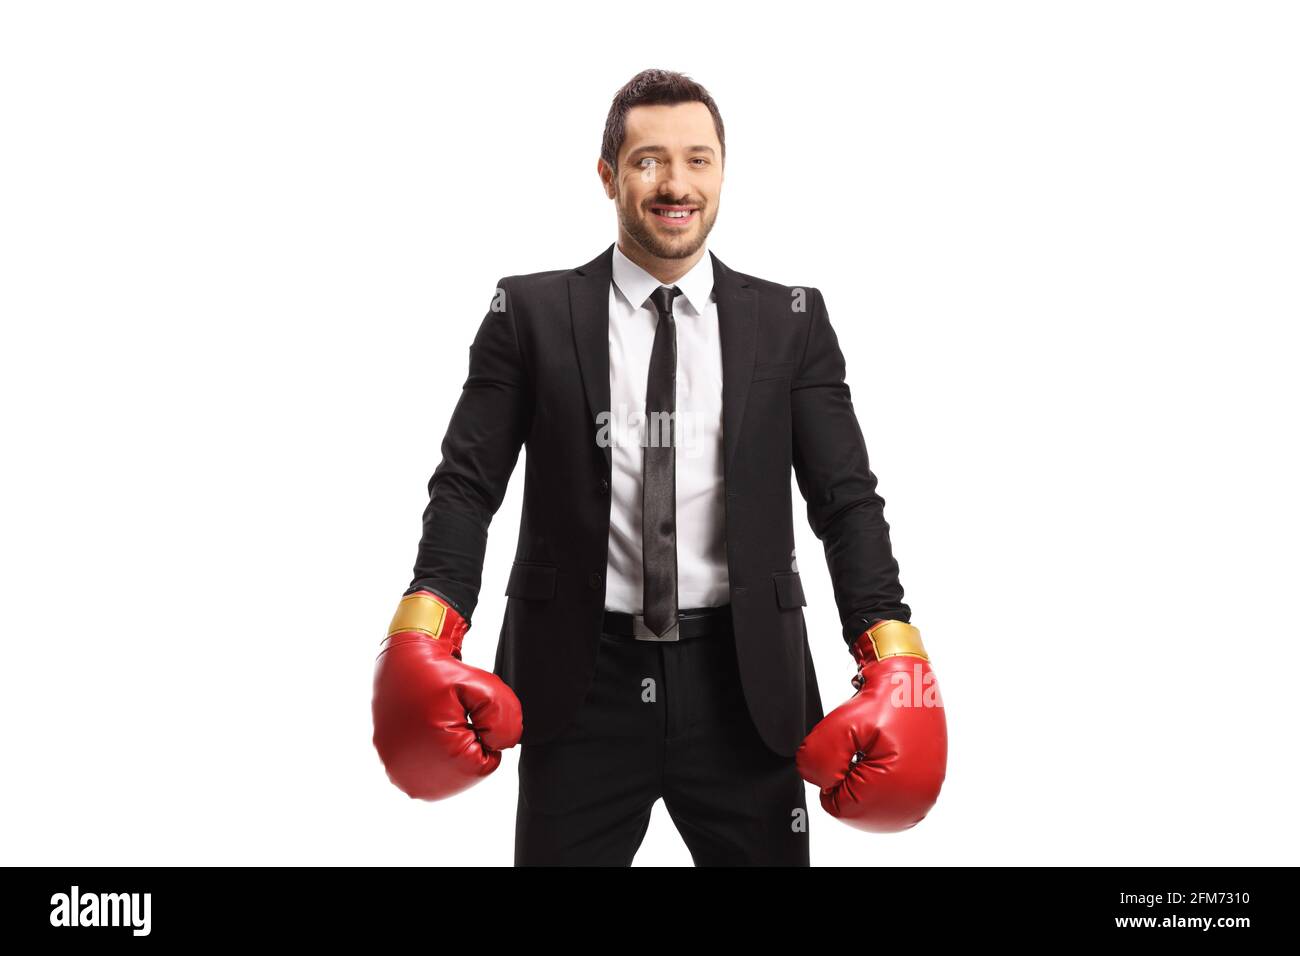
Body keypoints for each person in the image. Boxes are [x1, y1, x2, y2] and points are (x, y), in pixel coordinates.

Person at [371, 68, 947, 866]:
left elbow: (847, 502)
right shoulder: (530, 314)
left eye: (698, 160)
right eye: (648, 160)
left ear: (722, 171)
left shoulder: (791, 323)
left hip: (745, 684)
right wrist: (425, 628)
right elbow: (467, 487)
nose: (676, 183)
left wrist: (894, 654)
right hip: (580, 685)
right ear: (608, 175)